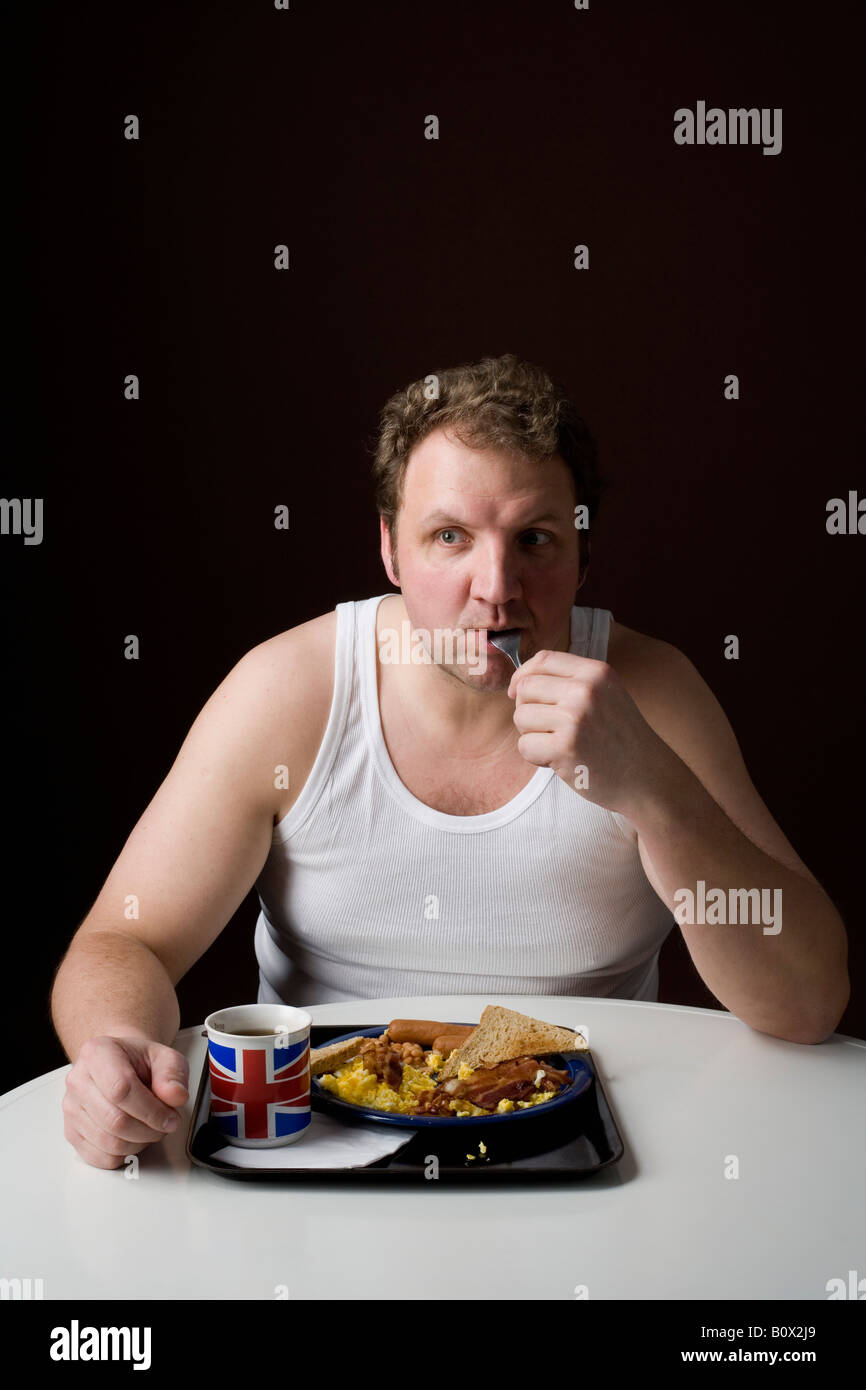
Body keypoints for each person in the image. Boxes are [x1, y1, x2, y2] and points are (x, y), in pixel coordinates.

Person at [50, 353, 850, 1169]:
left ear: (582, 556)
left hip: (574, 1143)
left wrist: (653, 787)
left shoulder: (655, 693)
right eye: (450, 538)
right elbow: (123, 942)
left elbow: (806, 1000)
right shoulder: (287, 691)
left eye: (533, 539)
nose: (496, 588)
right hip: (321, 1141)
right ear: (392, 551)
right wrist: (114, 1047)